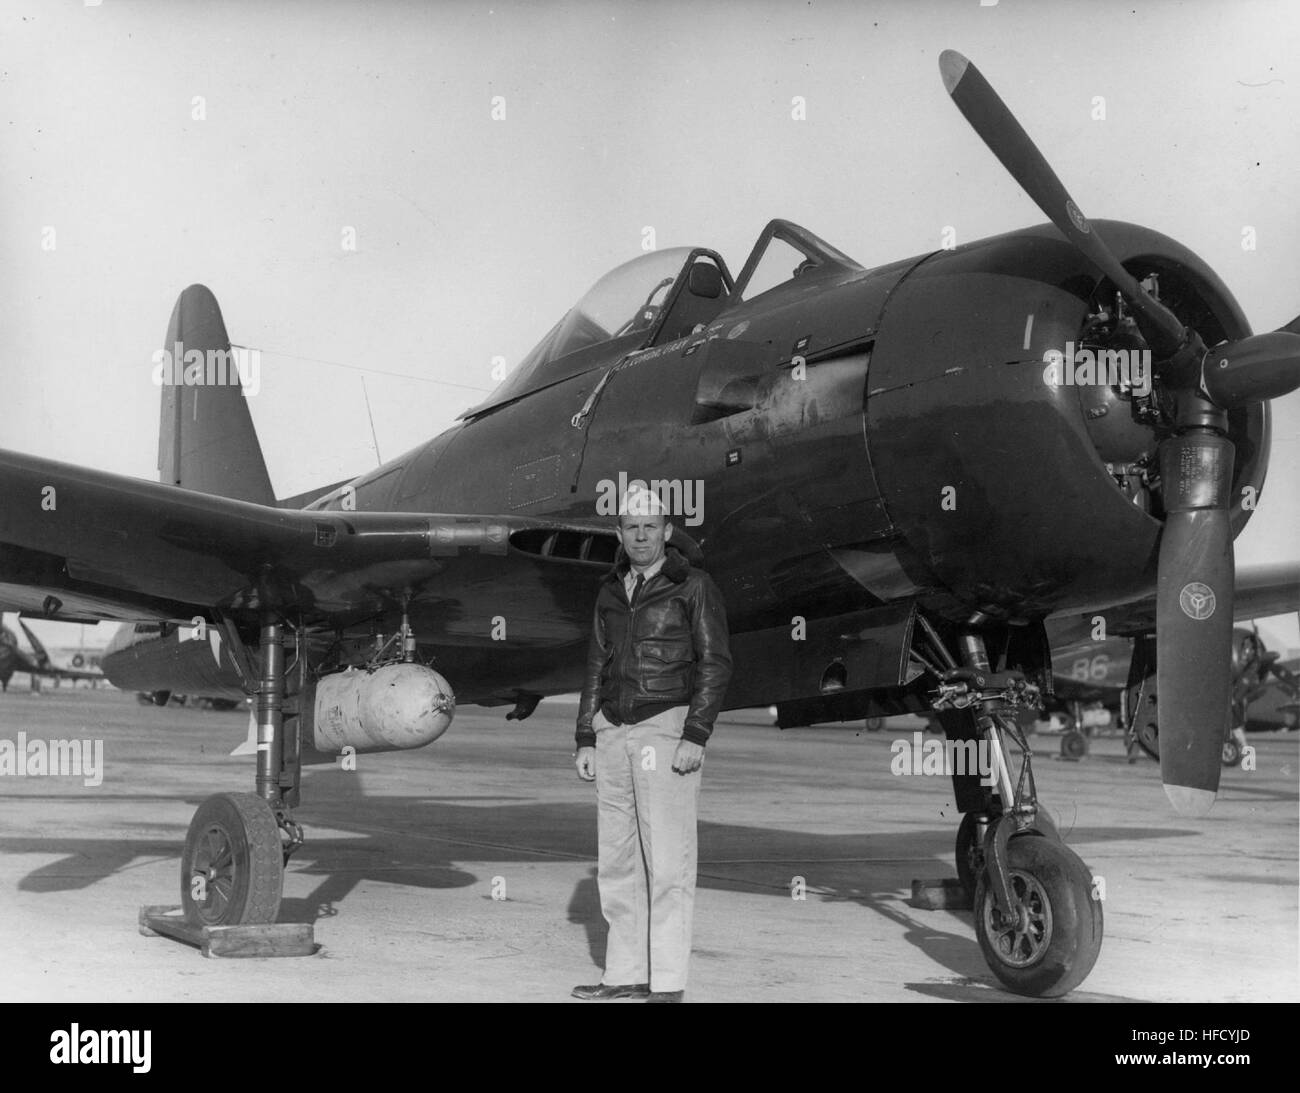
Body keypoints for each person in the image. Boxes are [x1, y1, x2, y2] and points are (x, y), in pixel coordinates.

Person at [572, 486, 732, 1002]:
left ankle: (666, 983)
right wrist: (585, 735)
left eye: (650, 526)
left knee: (667, 860)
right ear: (619, 533)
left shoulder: (694, 586)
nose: (640, 535)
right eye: (630, 527)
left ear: (666, 531)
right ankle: (623, 975)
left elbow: (715, 663)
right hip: (612, 730)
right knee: (616, 861)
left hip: (665, 727)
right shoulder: (610, 589)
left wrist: (696, 733)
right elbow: (596, 664)